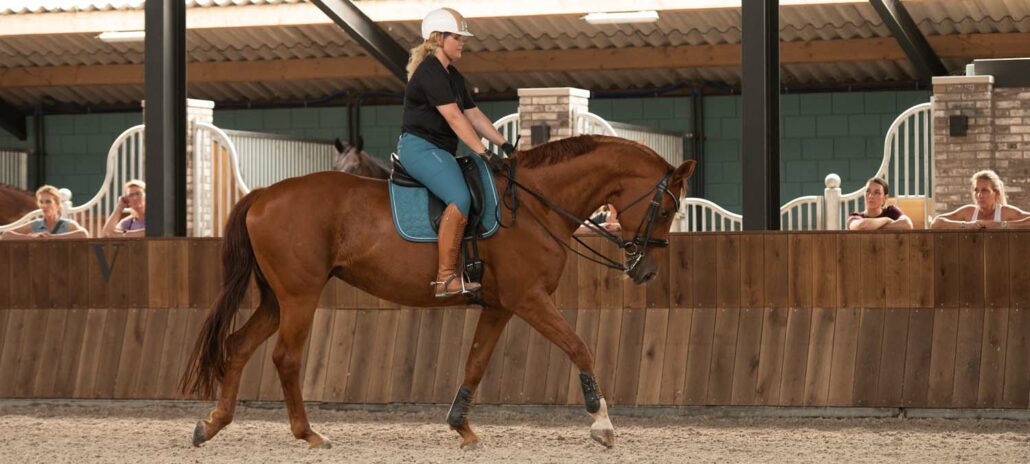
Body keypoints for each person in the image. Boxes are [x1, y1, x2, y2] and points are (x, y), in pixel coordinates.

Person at [399, 7, 515, 297]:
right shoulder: (430, 72)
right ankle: (446, 277)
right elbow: (454, 118)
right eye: (457, 37)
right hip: (419, 148)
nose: (462, 42)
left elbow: (474, 115)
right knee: (460, 197)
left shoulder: (452, 75)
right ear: (438, 39)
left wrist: (504, 144)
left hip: (439, 150)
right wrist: (483, 153)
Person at [931, 169, 1030, 229]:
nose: (979, 195)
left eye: (985, 191)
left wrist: (1003, 225)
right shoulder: (968, 212)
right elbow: (936, 223)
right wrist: (966, 226)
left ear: (996, 193)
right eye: (976, 190)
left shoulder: (1005, 212)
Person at [0, 185, 88, 240]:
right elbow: (6, 235)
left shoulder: (67, 225)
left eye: (48, 202)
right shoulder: (35, 225)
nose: (44, 205)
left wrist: (52, 238)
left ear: (57, 204)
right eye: (41, 202)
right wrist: (31, 238)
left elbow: (83, 234)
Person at [846, 177, 913, 230]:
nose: (871, 196)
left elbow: (907, 224)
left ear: (885, 198)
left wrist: (874, 227)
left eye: (877, 192)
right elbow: (862, 227)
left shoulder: (891, 211)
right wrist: (886, 220)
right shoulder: (855, 216)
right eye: (868, 191)